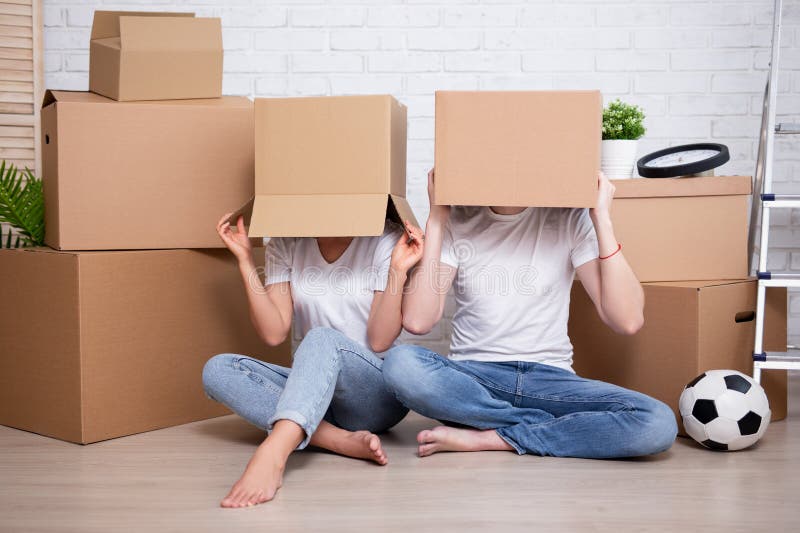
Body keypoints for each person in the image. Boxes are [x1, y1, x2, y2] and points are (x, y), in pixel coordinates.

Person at [382, 170, 677, 459]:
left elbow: (627, 319)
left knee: (657, 422)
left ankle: (496, 437)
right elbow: (418, 321)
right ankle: (545, 427)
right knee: (401, 363)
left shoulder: (569, 218)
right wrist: (436, 221)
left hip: (550, 381)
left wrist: (601, 219)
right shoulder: (458, 219)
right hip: (477, 382)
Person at [203, 213, 422, 508]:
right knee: (218, 370)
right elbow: (273, 331)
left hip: (374, 397)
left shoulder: (385, 237)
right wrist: (245, 261)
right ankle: (336, 440)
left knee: (321, 338)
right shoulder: (287, 239)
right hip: (316, 397)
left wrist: (397, 270)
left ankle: (274, 453)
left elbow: (380, 340)